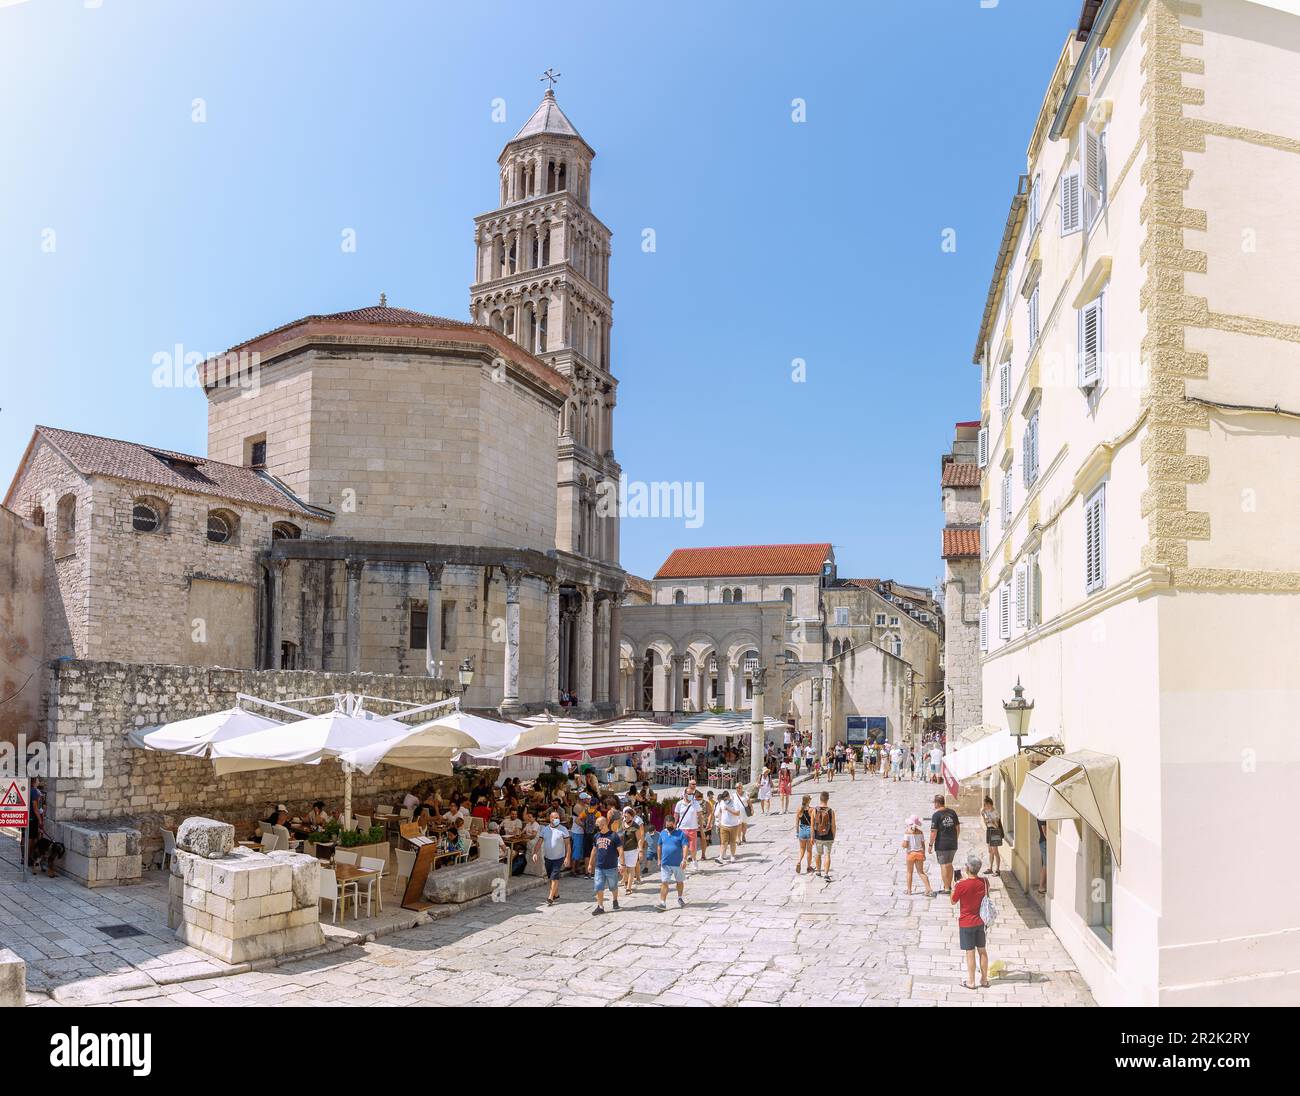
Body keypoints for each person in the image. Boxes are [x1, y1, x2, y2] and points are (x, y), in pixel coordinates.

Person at [952, 853, 991, 989]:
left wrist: (955, 885)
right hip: (980, 921)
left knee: (970, 952)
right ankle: (984, 980)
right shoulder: (985, 882)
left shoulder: (961, 885)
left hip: (966, 922)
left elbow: (953, 901)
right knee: (982, 950)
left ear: (968, 868)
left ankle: (971, 982)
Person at [587, 814, 622, 915]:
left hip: (611, 867)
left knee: (613, 886)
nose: (596, 826)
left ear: (604, 824)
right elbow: (594, 850)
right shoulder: (596, 836)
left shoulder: (614, 836)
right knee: (598, 886)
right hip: (599, 867)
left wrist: (622, 864)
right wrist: (590, 864)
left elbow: (620, 849)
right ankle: (600, 906)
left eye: (598, 824)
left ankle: (615, 900)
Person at [655, 814, 689, 911]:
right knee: (664, 882)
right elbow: (659, 846)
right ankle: (662, 903)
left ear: (674, 824)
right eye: (667, 825)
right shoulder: (662, 833)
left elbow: (685, 846)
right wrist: (659, 859)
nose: (669, 827)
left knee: (679, 881)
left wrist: (684, 859)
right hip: (665, 863)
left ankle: (680, 897)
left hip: (678, 863)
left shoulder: (680, 833)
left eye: (670, 825)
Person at [929, 794, 961, 893]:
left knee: (943, 865)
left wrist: (930, 845)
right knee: (949, 864)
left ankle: (946, 888)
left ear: (937, 803)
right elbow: (957, 828)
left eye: (934, 802)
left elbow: (934, 832)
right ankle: (949, 886)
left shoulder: (936, 815)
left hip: (941, 844)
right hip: (952, 844)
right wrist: (955, 839)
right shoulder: (952, 812)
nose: (934, 804)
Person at [901, 815, 935, 897]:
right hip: (919, 853)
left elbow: (905, 845)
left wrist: (902, 844)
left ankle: (909, 890)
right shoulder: (920, 832)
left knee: (909, 872)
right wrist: (923, 854)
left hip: (910, 854)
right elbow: (923, 844)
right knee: (921, 872)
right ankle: (928, 888)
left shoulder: (907, 832)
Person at [674, 788, 702, 870]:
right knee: (683, 847)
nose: (690, 795)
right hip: (682, 828)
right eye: (689, 794)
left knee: (692, 847)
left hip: (692, 828)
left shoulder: (695, 803)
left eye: (692, 794)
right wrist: (674, 825)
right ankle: (683, 862)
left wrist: (701, 827)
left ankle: (694, 860)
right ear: (685, 794)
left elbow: (700, 815)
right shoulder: (679, 803)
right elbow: (676, 815)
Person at [811, 790, 836, 879]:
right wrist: (833, 836)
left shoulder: (815, 810)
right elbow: (833, 826)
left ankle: (818, 871)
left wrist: (812, 836)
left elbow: (812, 825)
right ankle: (826, 874)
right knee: (827, 855)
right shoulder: (831, 811)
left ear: (820, 799)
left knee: (817, 854)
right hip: (828, 836)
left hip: (818, 836)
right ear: (827, 799)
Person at [717, 789, 744, 863]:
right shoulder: (722, 802)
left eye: (726, 798)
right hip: (724, 825)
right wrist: (719, 821)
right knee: (723, 842)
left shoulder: (735, 802)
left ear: (728, 796)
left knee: (732, 842)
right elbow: (720, 811)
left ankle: (732, 856)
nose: (725, 800)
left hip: (733, 825)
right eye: (724, 799)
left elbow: (737, 813)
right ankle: (721, 857)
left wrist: (728, 809)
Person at [621, 809, 644, 894]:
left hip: (632, 850)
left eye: (626, 815)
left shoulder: (635, 826)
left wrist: (640, 850)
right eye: (624, 815)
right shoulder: (621, 824)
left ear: (632, 816)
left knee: (631, 868)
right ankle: (626, 880)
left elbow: (639, 839)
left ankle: (629, 888)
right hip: (621, 850)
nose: (625, 817)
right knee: (622, 868)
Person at [569, 793, 590, 877]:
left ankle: (576, 869)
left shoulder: (584, 806)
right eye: (587, 799)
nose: (588, 800)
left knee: (579, 852)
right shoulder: (577, 807)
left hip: (581, 832)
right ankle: (573, 870)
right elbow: (583, 818)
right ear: (583, 799)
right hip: (577, 832)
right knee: (576, 852)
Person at [981, 797, 1004, 874]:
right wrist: (984, 816)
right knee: (990, 851)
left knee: (995, 851)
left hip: (994, 832)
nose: (985, 806)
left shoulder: (995, 812)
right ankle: (990, 868)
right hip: (989, 831)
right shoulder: (986, 811)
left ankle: (997, 869)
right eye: (984, 805)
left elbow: (997, 826)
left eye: (986, 804)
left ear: (990, 804)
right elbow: (986, 824)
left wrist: (991, 821)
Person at [794, 794, 814, 874]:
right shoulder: (812, 810)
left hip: (802, 831)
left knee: (802, 849)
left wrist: (797, 833)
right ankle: (808, 867)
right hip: (809, 831)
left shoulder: (799, 809)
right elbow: (813, 823)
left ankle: (799, 861)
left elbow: (797, 822)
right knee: (809, 850)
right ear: (808, 800)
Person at [1037, 818, 1048, 896]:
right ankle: (1041, 887)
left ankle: (1042, 886)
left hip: (1043, 842)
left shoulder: (1040, 816)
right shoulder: (1042, 818)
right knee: (1045, 865)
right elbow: (1045, 832)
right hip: (1044, 842)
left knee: (1045, 864)